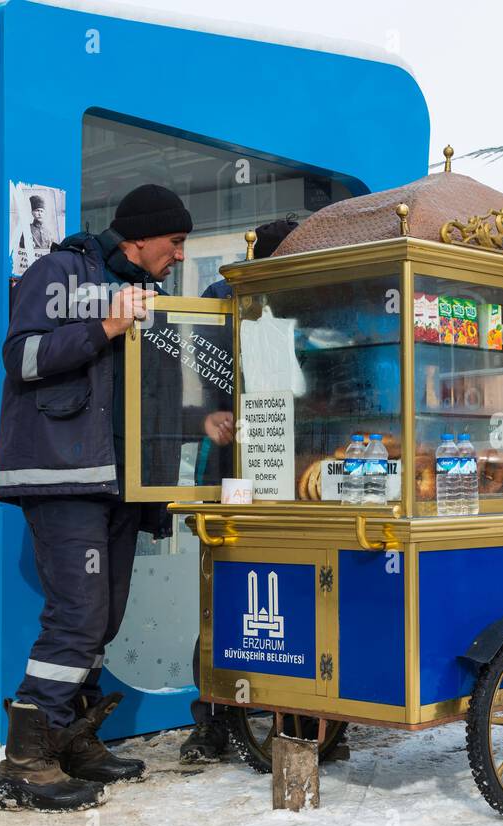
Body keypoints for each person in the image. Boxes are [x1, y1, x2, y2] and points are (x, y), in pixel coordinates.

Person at [0, 184, 234, 811]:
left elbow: (144, 394)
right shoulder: (60, 270)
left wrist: (195, 422)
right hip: (64, 477)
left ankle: (72, 740)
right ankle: (26, 761)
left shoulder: (148, 298)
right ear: (140, 238)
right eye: (175, 242)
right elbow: (22, 358)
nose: (180, 256)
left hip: (124, 482)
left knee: (105, 616)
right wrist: (104, 325)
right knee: (76, 617)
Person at [178, 215, 299, 764]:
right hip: (236, 472)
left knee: (285, 597)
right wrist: (212, 414)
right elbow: (205, 380)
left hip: (293, 466)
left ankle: (297, 721)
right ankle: (212, 718)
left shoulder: (303, 295)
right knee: (223, 593)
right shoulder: (226, 296)